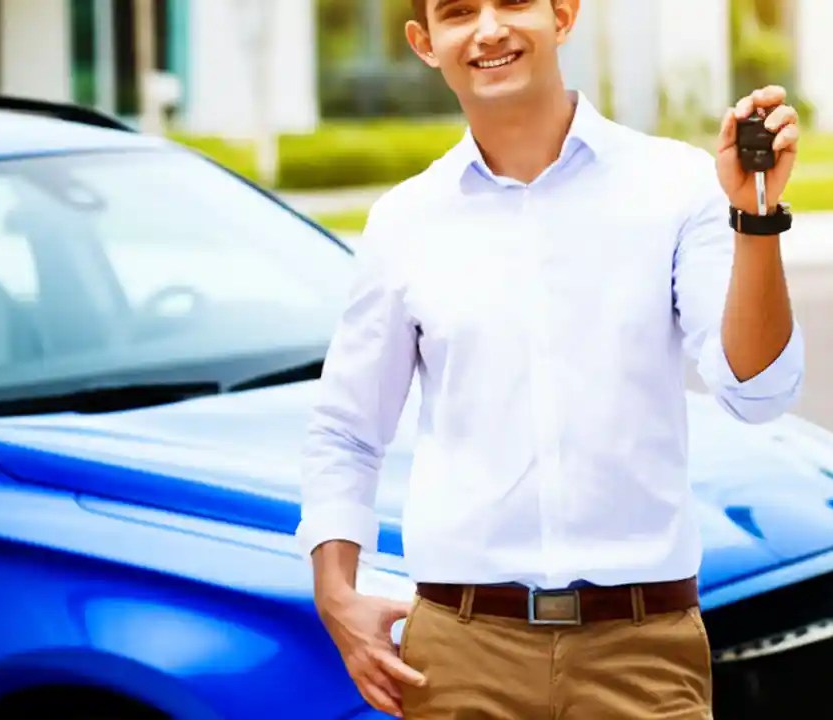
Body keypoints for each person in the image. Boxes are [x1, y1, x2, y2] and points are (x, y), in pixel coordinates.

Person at [296, 0, 805, 716]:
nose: (490, 29)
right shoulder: (406, 221)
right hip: (461, 654)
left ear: (564, 14)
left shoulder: (676, 186)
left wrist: (756, 219)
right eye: (459, 12)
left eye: (512, 3)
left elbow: (757, 393)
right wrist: (336, 594)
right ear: (425, 43)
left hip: (642, 651)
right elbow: (347, 431)